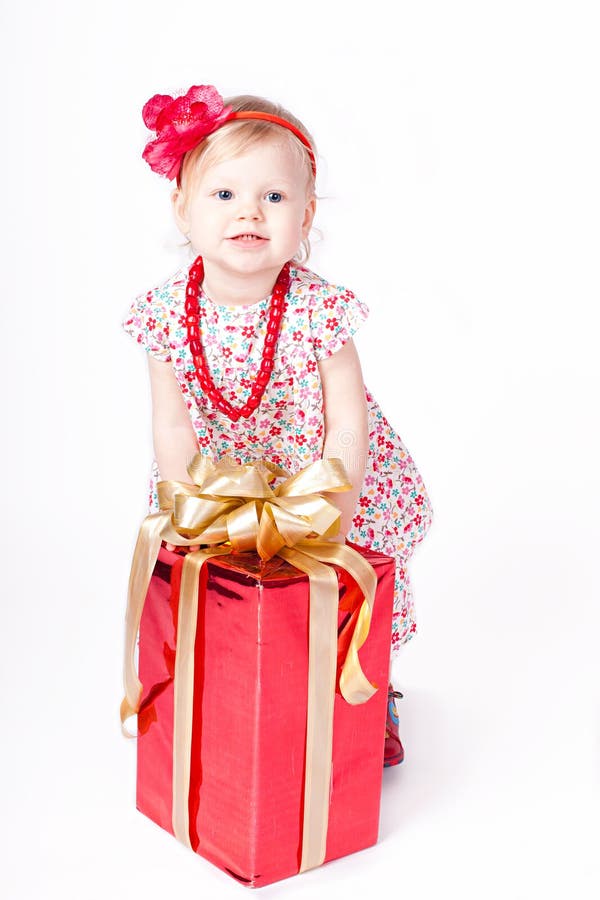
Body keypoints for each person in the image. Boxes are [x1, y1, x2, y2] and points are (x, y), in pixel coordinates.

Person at [121, 84, 433, 767]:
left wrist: (337, 501)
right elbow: (172, 425)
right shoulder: (165, 315)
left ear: (306, 215)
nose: (249, 214)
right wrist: (190, 504)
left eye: (274, 197)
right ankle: (230, 694)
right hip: (220, 483)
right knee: (223, 598)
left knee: (347, 589)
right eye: (224, 195)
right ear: (183, 207)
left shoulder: (321, 309)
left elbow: (347, 418)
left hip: (316, 475)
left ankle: (367, 696)